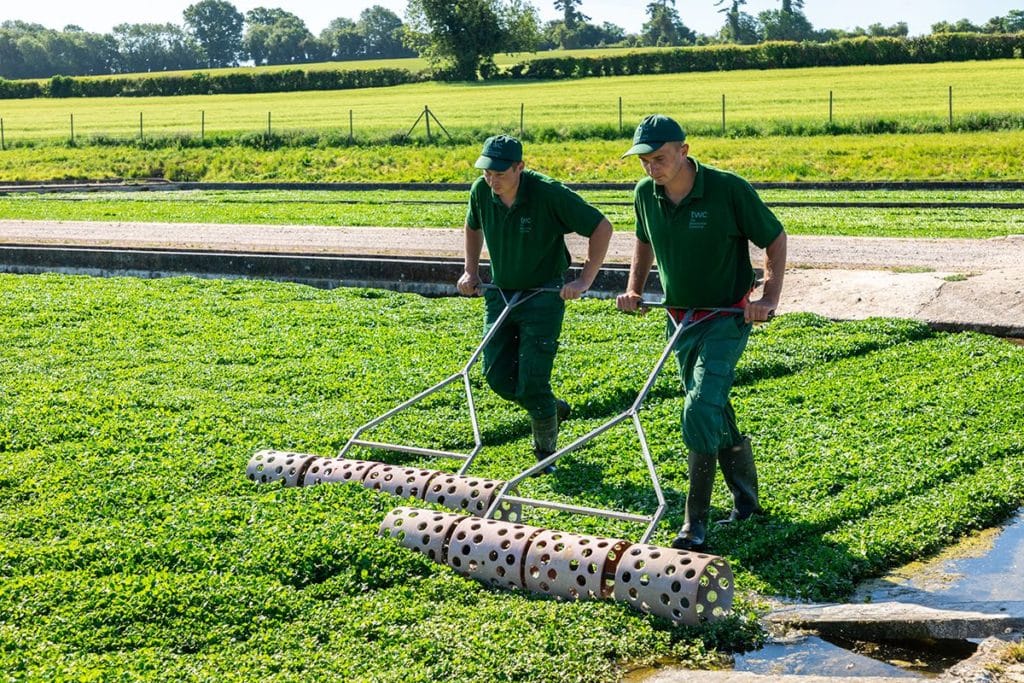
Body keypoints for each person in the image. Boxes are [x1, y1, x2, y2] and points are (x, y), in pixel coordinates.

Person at [616, 114, 787, 551]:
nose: (651, 168)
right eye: (644, 161)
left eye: (659, 158)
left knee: (697, 409)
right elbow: (644, 241)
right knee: (712, 408)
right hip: (680, 318)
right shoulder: (644, 194)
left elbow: (774, 237)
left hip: (726, 316)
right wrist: (634, 287)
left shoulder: (727, 189)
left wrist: (767, 297)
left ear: (683, 151)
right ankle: (747, 503)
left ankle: (694, 523)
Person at [457, 134, 613, 474]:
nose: (491, 180)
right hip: (501, 293)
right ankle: (549, 408)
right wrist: (470, 271)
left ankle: (545, 456)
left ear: (519, 167)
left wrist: (584, 279)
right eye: (487, 172)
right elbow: (473, 227)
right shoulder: (481, 191)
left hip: (543, 295)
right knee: (496, 376)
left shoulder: (547, 193)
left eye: (499, 173)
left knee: (533, 378)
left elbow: (601, 227)